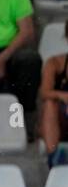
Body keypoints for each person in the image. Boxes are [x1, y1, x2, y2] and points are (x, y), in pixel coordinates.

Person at [39, 20, 68, 166]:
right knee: (50, 104)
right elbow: (44, 92)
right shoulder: (54, 62)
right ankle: (54, 158)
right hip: (61, 118)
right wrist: (61, 95)